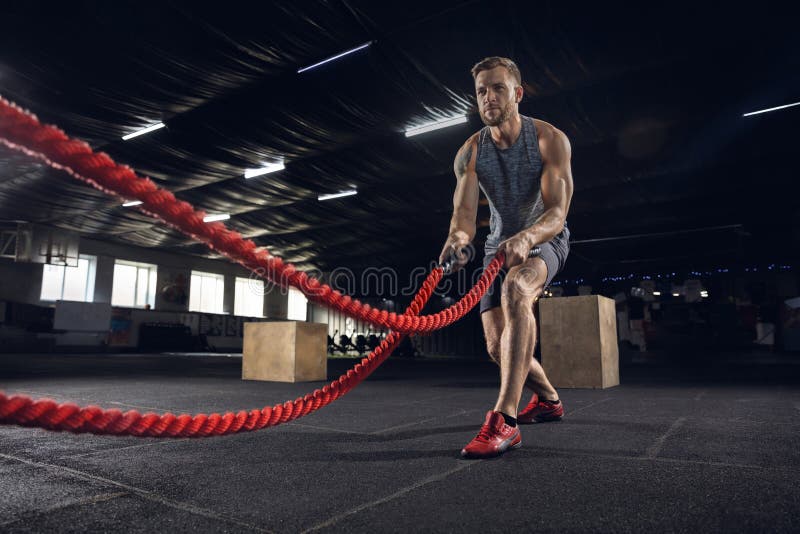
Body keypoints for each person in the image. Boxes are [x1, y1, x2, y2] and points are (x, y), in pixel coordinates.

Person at [438, 57, 573, 459]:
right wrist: (457, 242)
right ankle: (549, 400)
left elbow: (557, 212)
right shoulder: (470, 153)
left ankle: (505, 421)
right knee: (499, 348)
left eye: (498, 88)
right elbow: (464, 220)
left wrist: (527, 237)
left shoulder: (550, 139)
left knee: (518, 289)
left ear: (517, 93)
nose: (489, 97)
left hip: (545, 240)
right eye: (482, 91)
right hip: (497, 248)